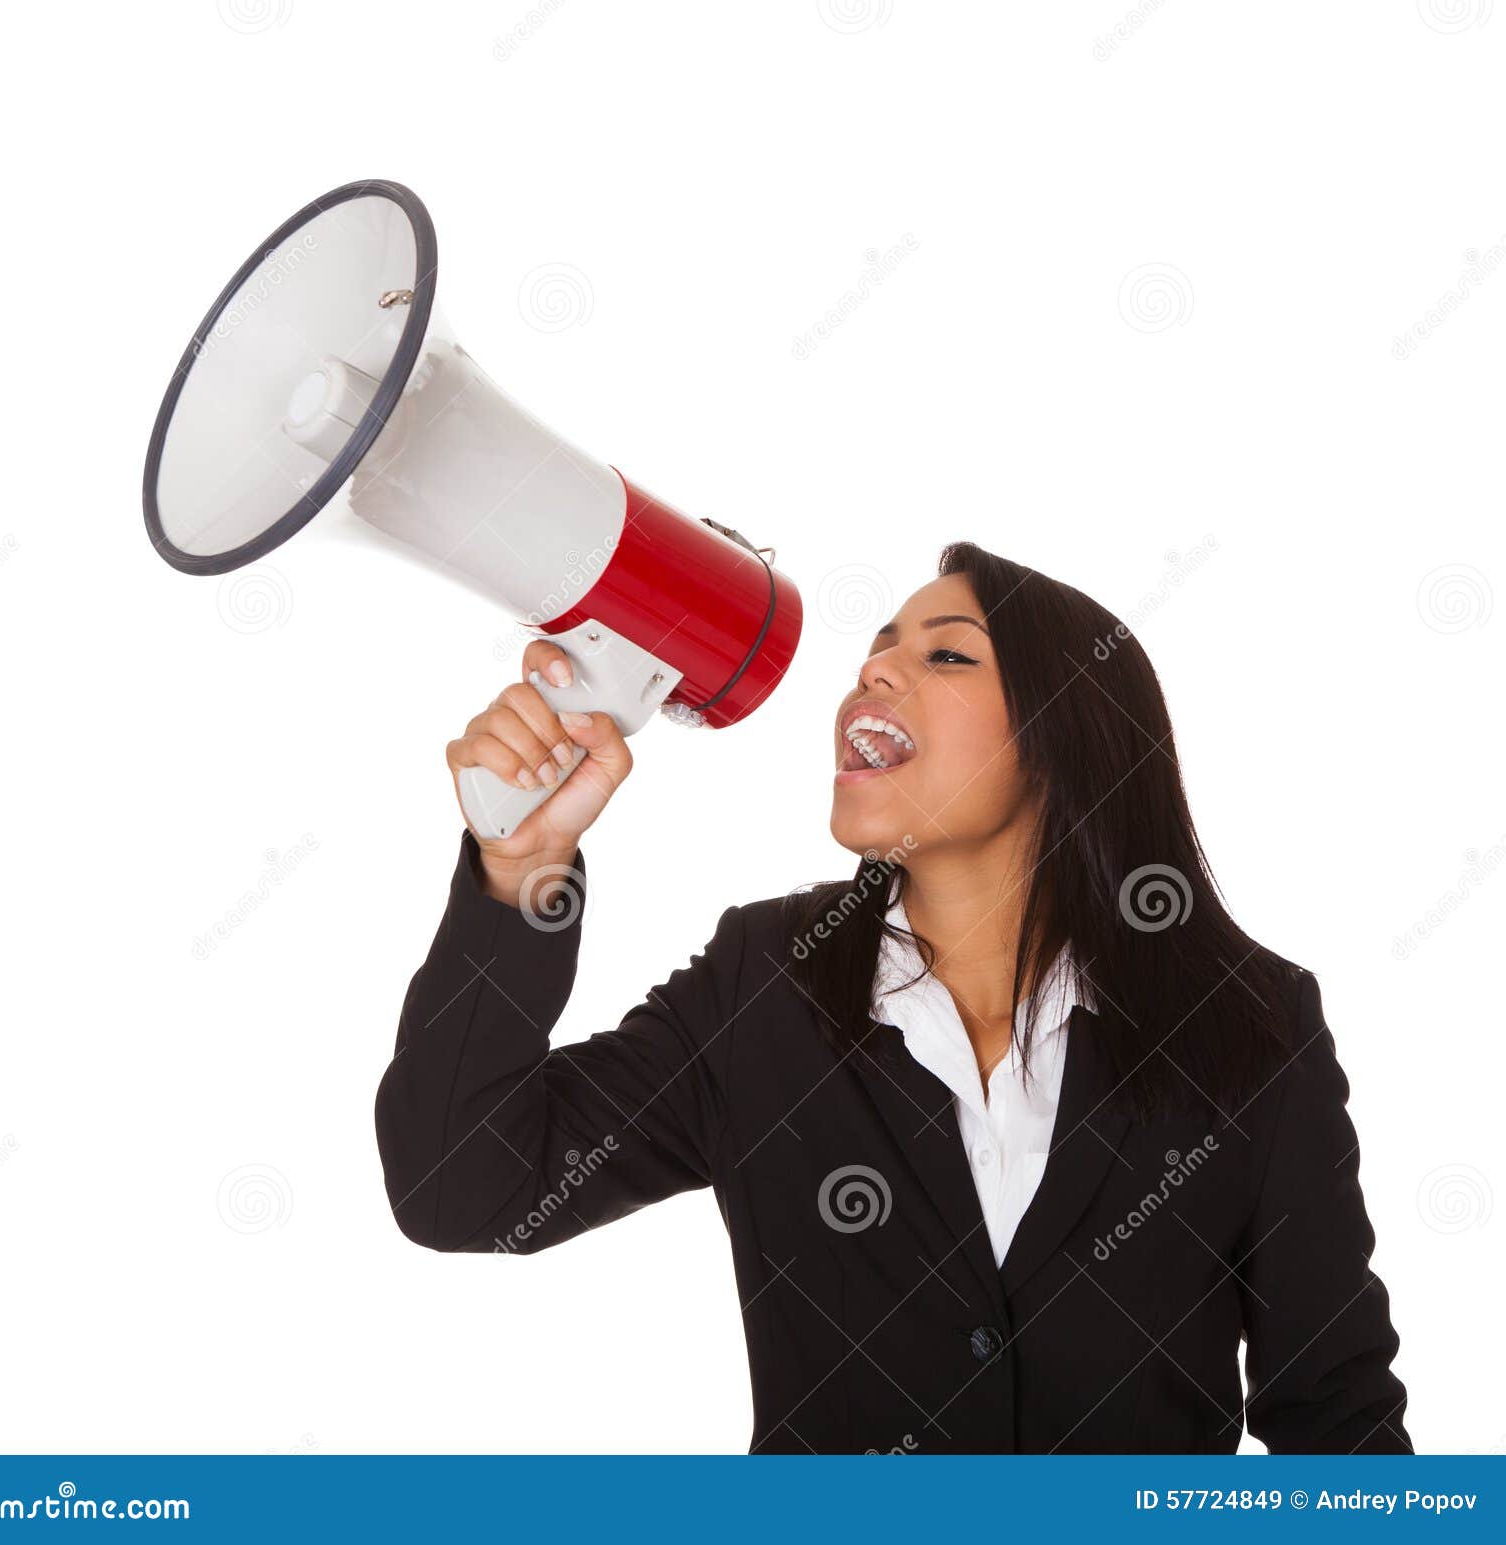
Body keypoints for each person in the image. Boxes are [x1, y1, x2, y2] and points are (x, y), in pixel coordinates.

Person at [374, 540, 1411, 1455]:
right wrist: (521, 873)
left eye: (945, 653)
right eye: (877, 647)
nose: (872, 669)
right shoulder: (765, 979)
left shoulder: (1250, 1022)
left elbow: (1337, 1418)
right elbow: (464, 1190)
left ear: (1070, 736)